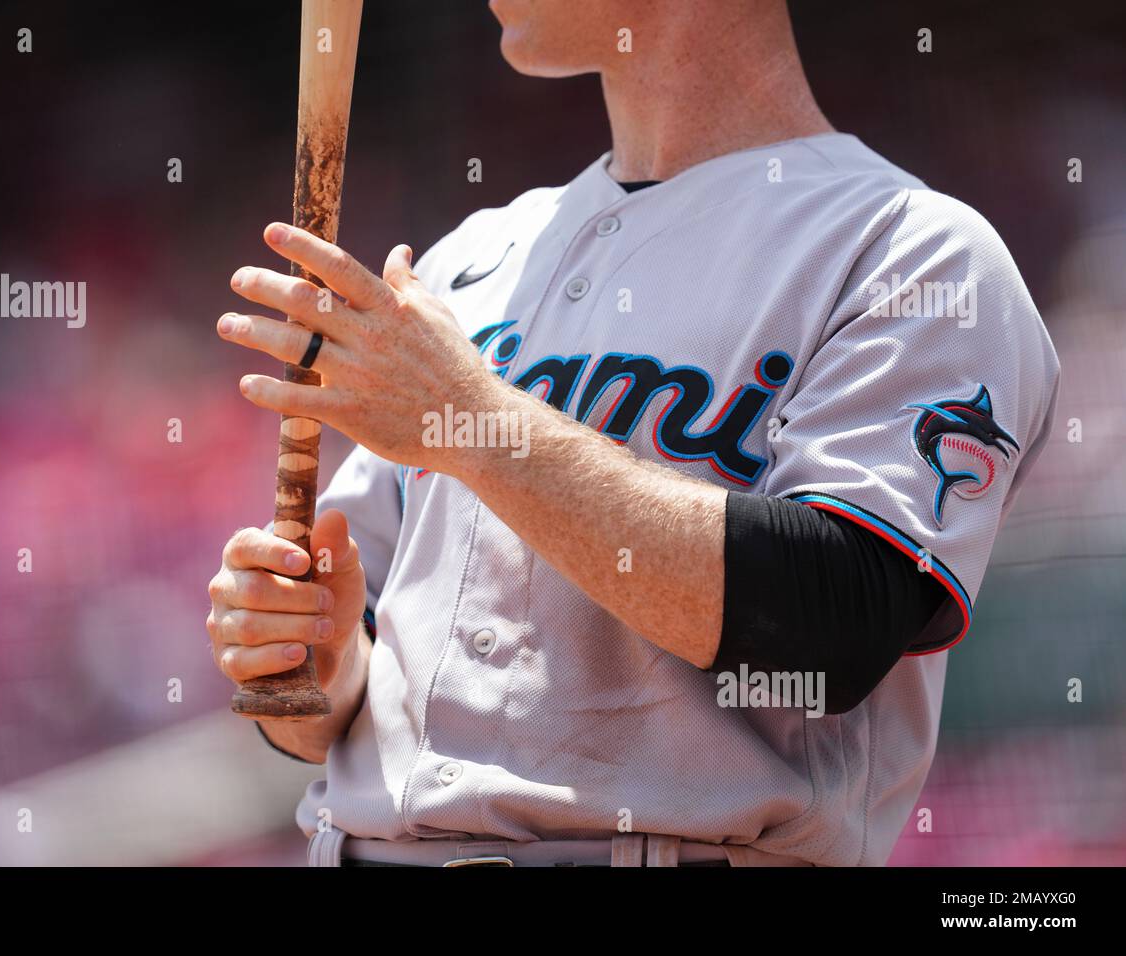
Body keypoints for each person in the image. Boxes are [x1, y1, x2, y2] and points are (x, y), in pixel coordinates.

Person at [205, 0, 1059, 866]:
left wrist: (470, 420)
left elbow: (833, 625)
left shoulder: (912, 252)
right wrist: (312, 658)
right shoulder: (472, 257)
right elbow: (351, 687)